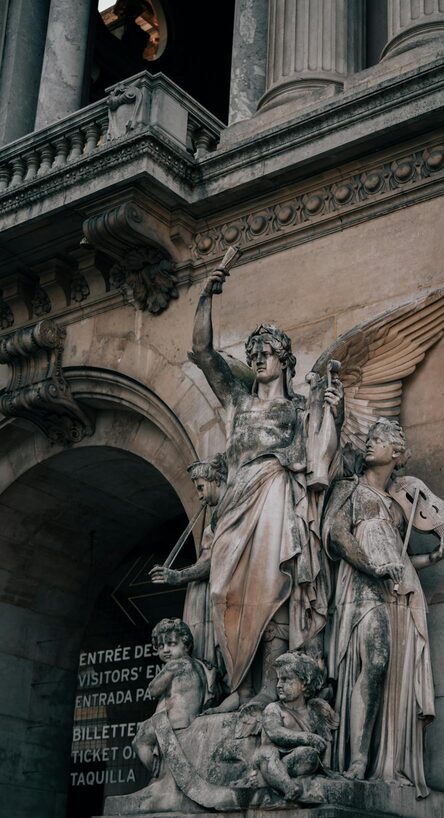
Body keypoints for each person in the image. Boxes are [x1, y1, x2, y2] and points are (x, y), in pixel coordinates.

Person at [189, 267, 343, 710]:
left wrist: (335, 412)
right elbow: (202, 351)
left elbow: (327, 459)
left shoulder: (299, 409)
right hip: (237, 503)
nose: (258, 359)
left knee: (273, 585)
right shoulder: (238, 402)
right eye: (253, 352)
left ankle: (260, 690)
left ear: (285, 360)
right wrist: (205, 294)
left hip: (277, 495)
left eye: (267, 352)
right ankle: (235, 684)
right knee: (223, 593)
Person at [322, 418, 444, 796]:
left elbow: (402, 559)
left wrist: (433, 559)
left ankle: (385, 760)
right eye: (370, 438)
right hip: (361, 586)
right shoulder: (350, 489)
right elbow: (337, 533)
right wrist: (372, 566)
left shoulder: (397, 508)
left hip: (399, 591)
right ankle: (358, 759)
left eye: (378, 440)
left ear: (395, 453)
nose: (369, 444)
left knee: (394, 672)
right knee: (374, 663)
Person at [150, 454, 227, 670]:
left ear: (216, 481)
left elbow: (215, 560)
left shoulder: (228, 514)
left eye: (201, 488)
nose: (200, 496)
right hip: (201, 590)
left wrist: (178, 576)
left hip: (213, 588)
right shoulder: (216, 517)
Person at [133, 618, 217, 776]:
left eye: (171, 644)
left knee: (139, 741)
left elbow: (153, 689)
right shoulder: (202, 666)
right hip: (193, 720)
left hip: (174, 722)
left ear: (186, 644)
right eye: (160, 646)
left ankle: (159, 775)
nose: (165, 650)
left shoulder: (175, 664)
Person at [254, 652, 338, 801]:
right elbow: (275, 732)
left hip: (288, 762)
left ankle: (272, 778)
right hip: (269, 758)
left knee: (309, 754)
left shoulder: (313, 712)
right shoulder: (273, 708)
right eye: (278, 679)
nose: (279, 685)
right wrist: (307, 737)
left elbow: (325, 742)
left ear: (304, 683)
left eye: (286, 679)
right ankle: (289, 787)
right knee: (267, 753)